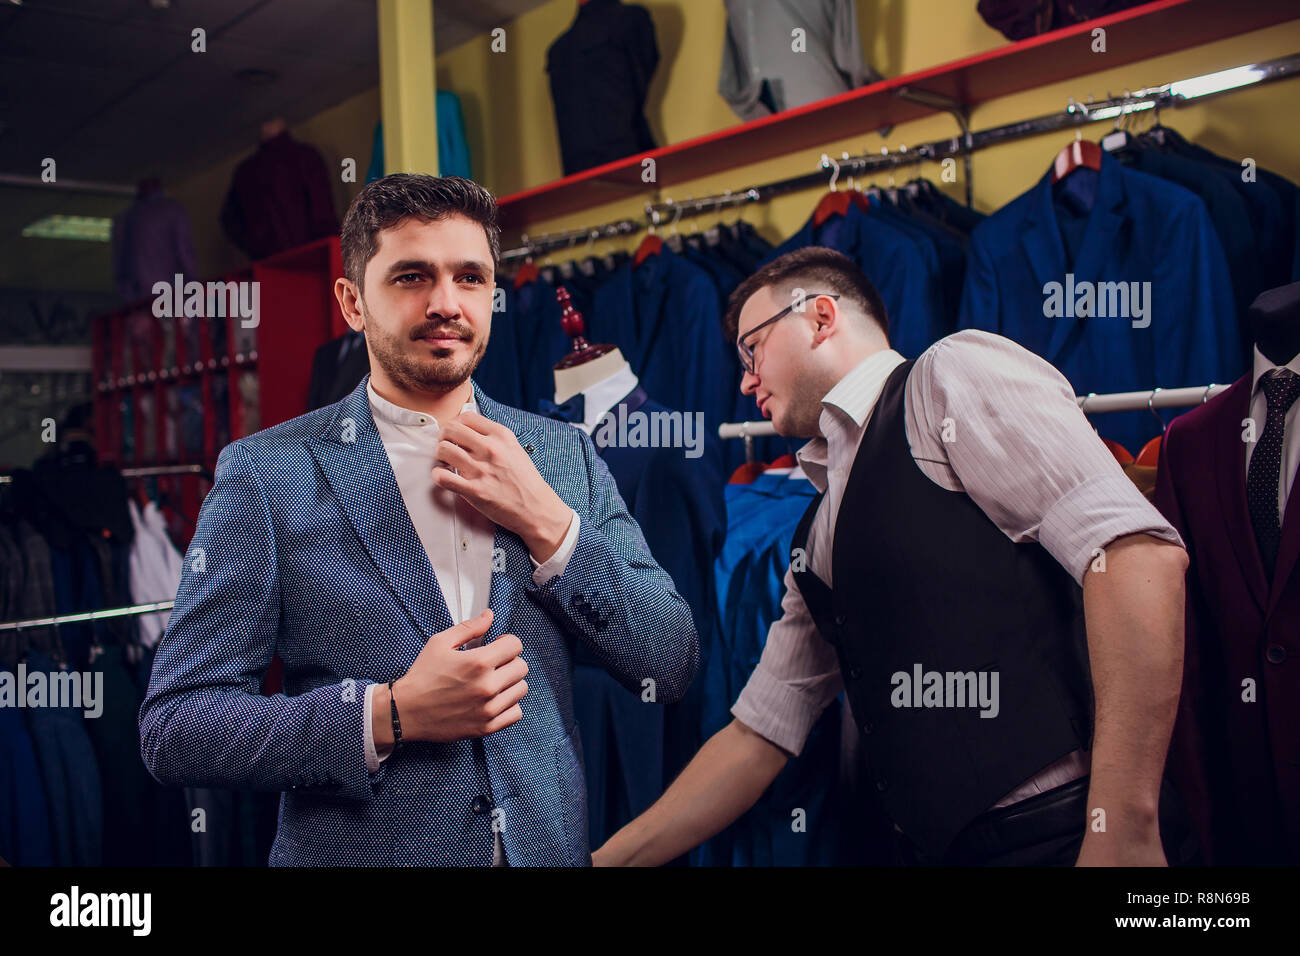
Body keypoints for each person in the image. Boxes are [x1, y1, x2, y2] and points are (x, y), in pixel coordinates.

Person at [139, 174, 697, 866]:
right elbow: (176, 727)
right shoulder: (267, 473)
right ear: (352, 302)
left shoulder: (562, 455)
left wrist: (548, 523)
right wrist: (387, 715)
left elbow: (670, 660)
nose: (446, 303)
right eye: (411, 277)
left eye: (469, 277)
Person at [594, 246, 1190, 866]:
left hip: (1068, 839)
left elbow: (1133, 553)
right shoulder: (815, 531)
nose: (743, 380)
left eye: (752, 349)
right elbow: (758, 734)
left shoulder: (948, 378)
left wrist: (1121, 829)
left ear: (821, 318)